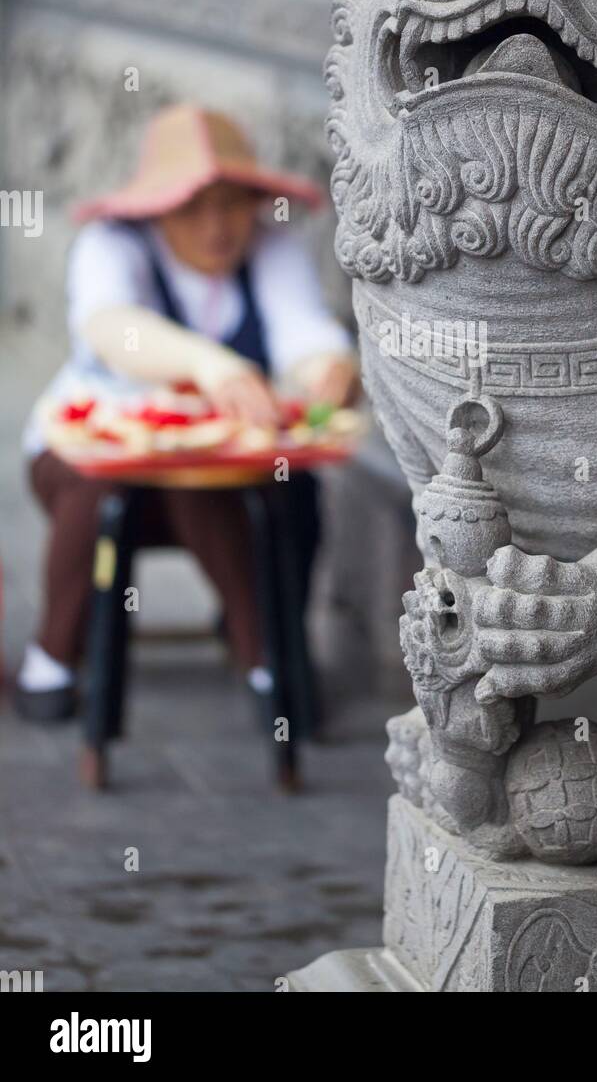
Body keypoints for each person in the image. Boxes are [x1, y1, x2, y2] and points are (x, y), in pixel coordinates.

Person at [14, 104, 359, 722]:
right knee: (101, 489)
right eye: (192, 207)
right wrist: (212, 367)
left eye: (231, 204)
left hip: (211, 479)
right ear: (156, 209)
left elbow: (302, 334)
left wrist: (328, 371)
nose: (216, 226)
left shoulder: (270, 246)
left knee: (286, 489)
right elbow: (113, 327)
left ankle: (265, 650)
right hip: (86, 468)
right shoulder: (112, 246)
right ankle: (55, 653)